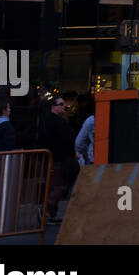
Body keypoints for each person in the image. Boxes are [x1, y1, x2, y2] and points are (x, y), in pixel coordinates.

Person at [38, 95, 78, 224]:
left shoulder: (47, 120)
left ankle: (52, 216)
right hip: (58, 158)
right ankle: (45, 210)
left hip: (51, 157)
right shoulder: (56, 121)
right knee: (60, 186)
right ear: (53, 107)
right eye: (61, 104)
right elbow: (66, 140)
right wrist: (72, 153)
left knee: (55, 186)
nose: (64, 107)